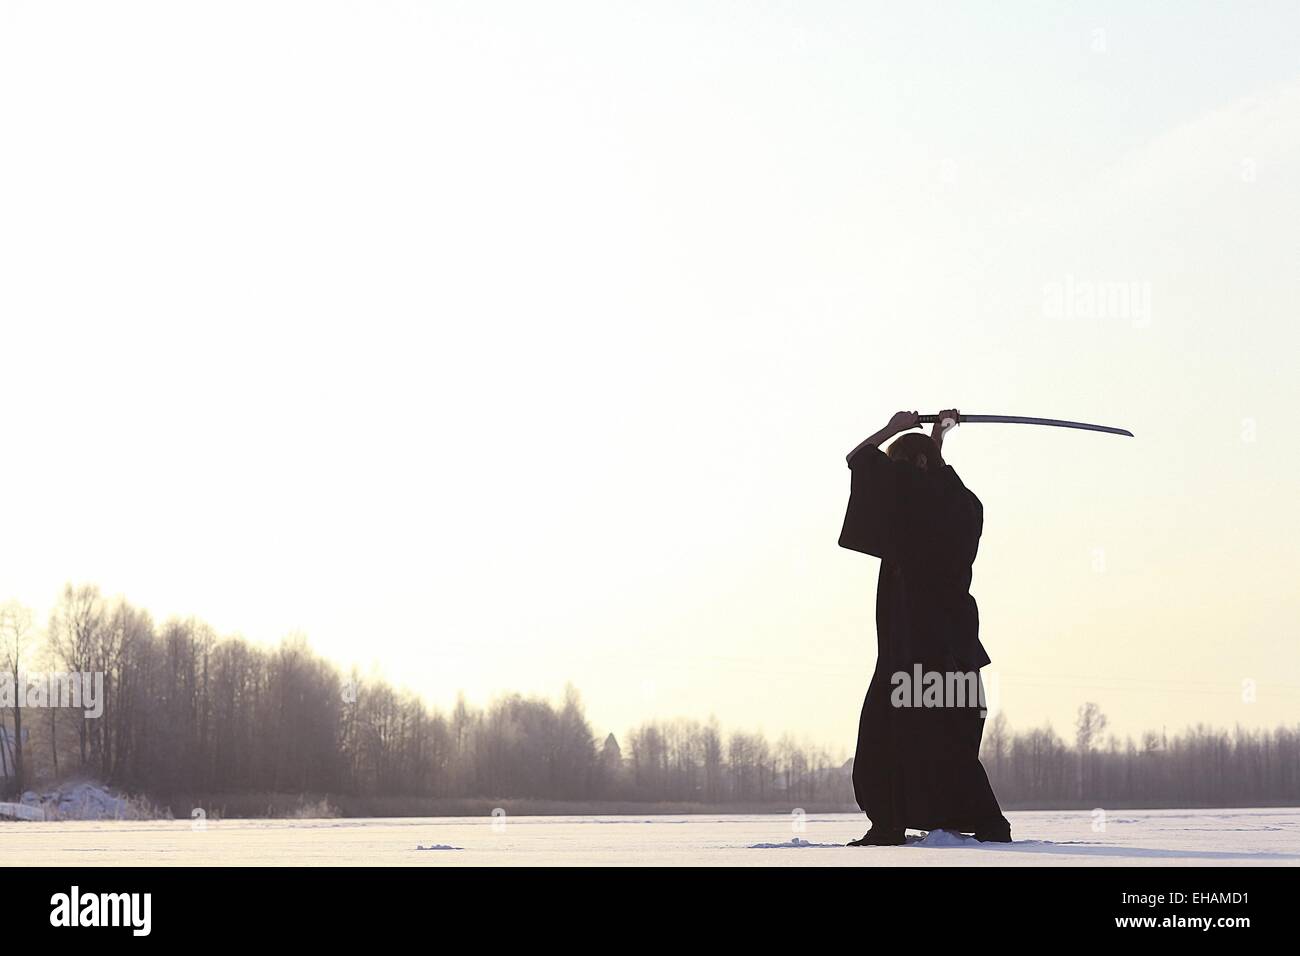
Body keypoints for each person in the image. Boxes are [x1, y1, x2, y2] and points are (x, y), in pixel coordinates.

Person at [839, 409, 1011, 845]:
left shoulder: (907, 504)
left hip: (913, 653)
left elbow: (858, 460)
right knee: (948, 744)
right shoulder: (965, 505)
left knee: (890, 740)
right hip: (954, 650)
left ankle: (891, 824)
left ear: (912, 467)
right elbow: (932, 485)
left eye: (898, 465)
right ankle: (983, 824)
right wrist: (936, 439)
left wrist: (894, 429)